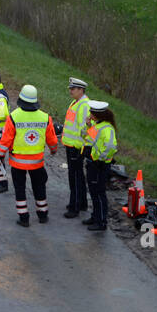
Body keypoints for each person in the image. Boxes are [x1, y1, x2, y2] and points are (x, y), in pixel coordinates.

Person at [0, 84, 59, 227]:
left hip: (17, 163)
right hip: (37, 163)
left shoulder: (14, 117)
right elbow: (52, 140)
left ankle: (24, 217)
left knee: (20, 189)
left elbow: (6, 139)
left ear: (21, 99)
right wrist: (54, 150)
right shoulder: (45, 117)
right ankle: (42, 214)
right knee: (39, 187)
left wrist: (0, 155)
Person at [61, 77, 92, 218]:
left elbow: (84, 130)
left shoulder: (84, 105)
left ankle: (75, 206)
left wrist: (80, 147)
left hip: (76, 147)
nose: (70, 91)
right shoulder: (77, 102)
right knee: (76, 175)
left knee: (75, 177)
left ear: (81, 90)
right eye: (70, 88)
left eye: (73, 89)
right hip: (71, 145)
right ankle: (82, 202)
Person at [84, 101, 118, 232]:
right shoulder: (96, 125)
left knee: (99, 193)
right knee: (93, 191)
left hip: (99, 165)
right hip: (93, 163)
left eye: (92, 113)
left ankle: (101, 221)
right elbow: (88, 139)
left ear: (98, 114)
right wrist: (88, 126)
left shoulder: (106, 128)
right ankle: (95, 216)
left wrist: (100, 159)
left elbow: (111, 147)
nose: (90, 115)